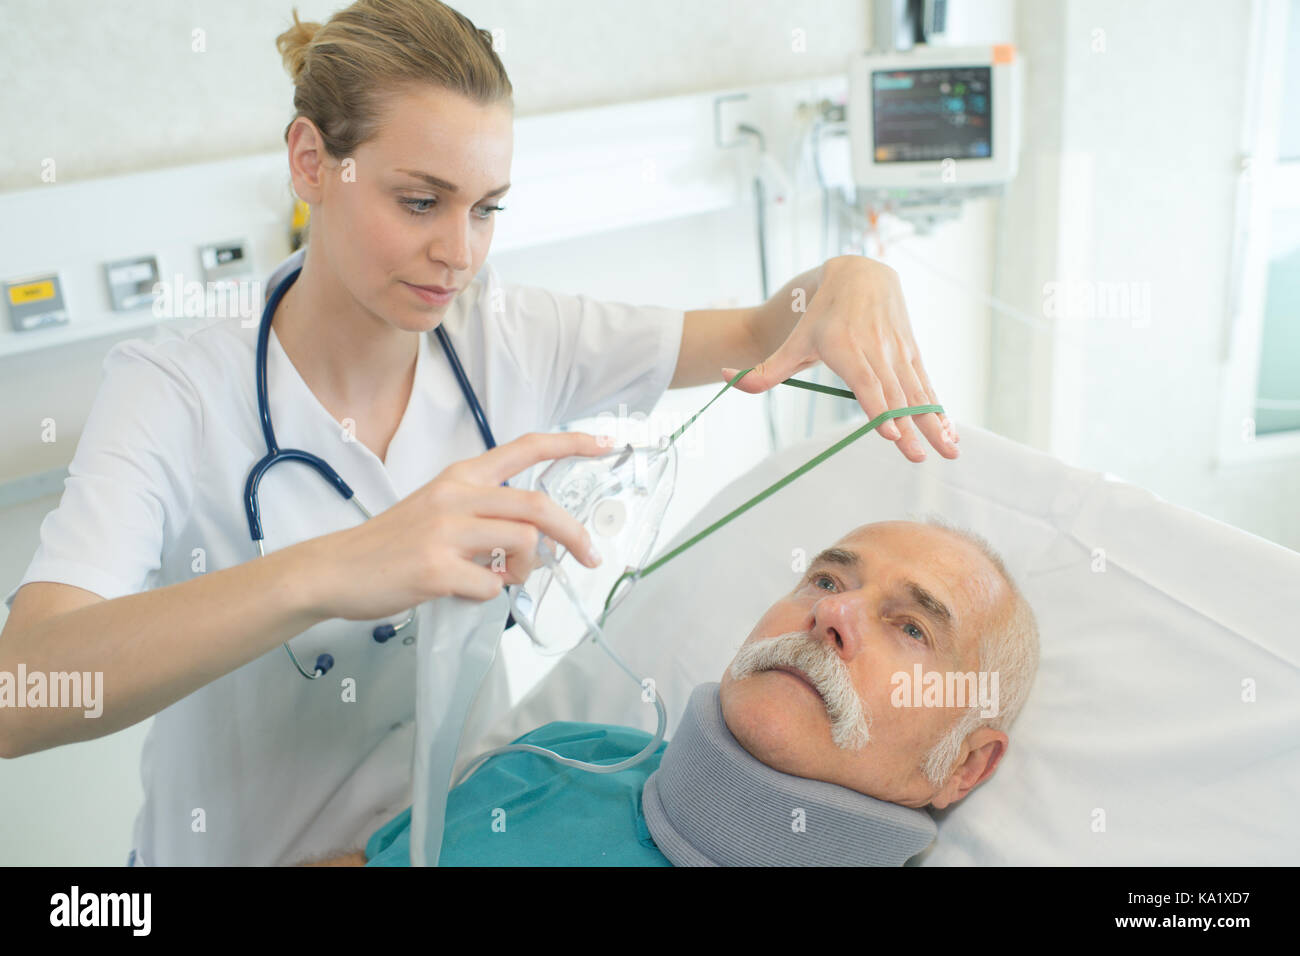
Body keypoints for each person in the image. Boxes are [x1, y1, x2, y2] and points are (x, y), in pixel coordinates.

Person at [0, 0, 959, 867]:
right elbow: (21, 693)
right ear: (309, 162)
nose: (458, 253)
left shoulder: (515, 337)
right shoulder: (173, 393)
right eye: (419, 201)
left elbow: (759, 332)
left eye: (487, 209)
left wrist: (844, 278)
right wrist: (333, 568)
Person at [313, 517, 1039, 866]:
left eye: (911, 628)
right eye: (826, 580)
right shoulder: (570, 754)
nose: (832, 614)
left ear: (965, 766)